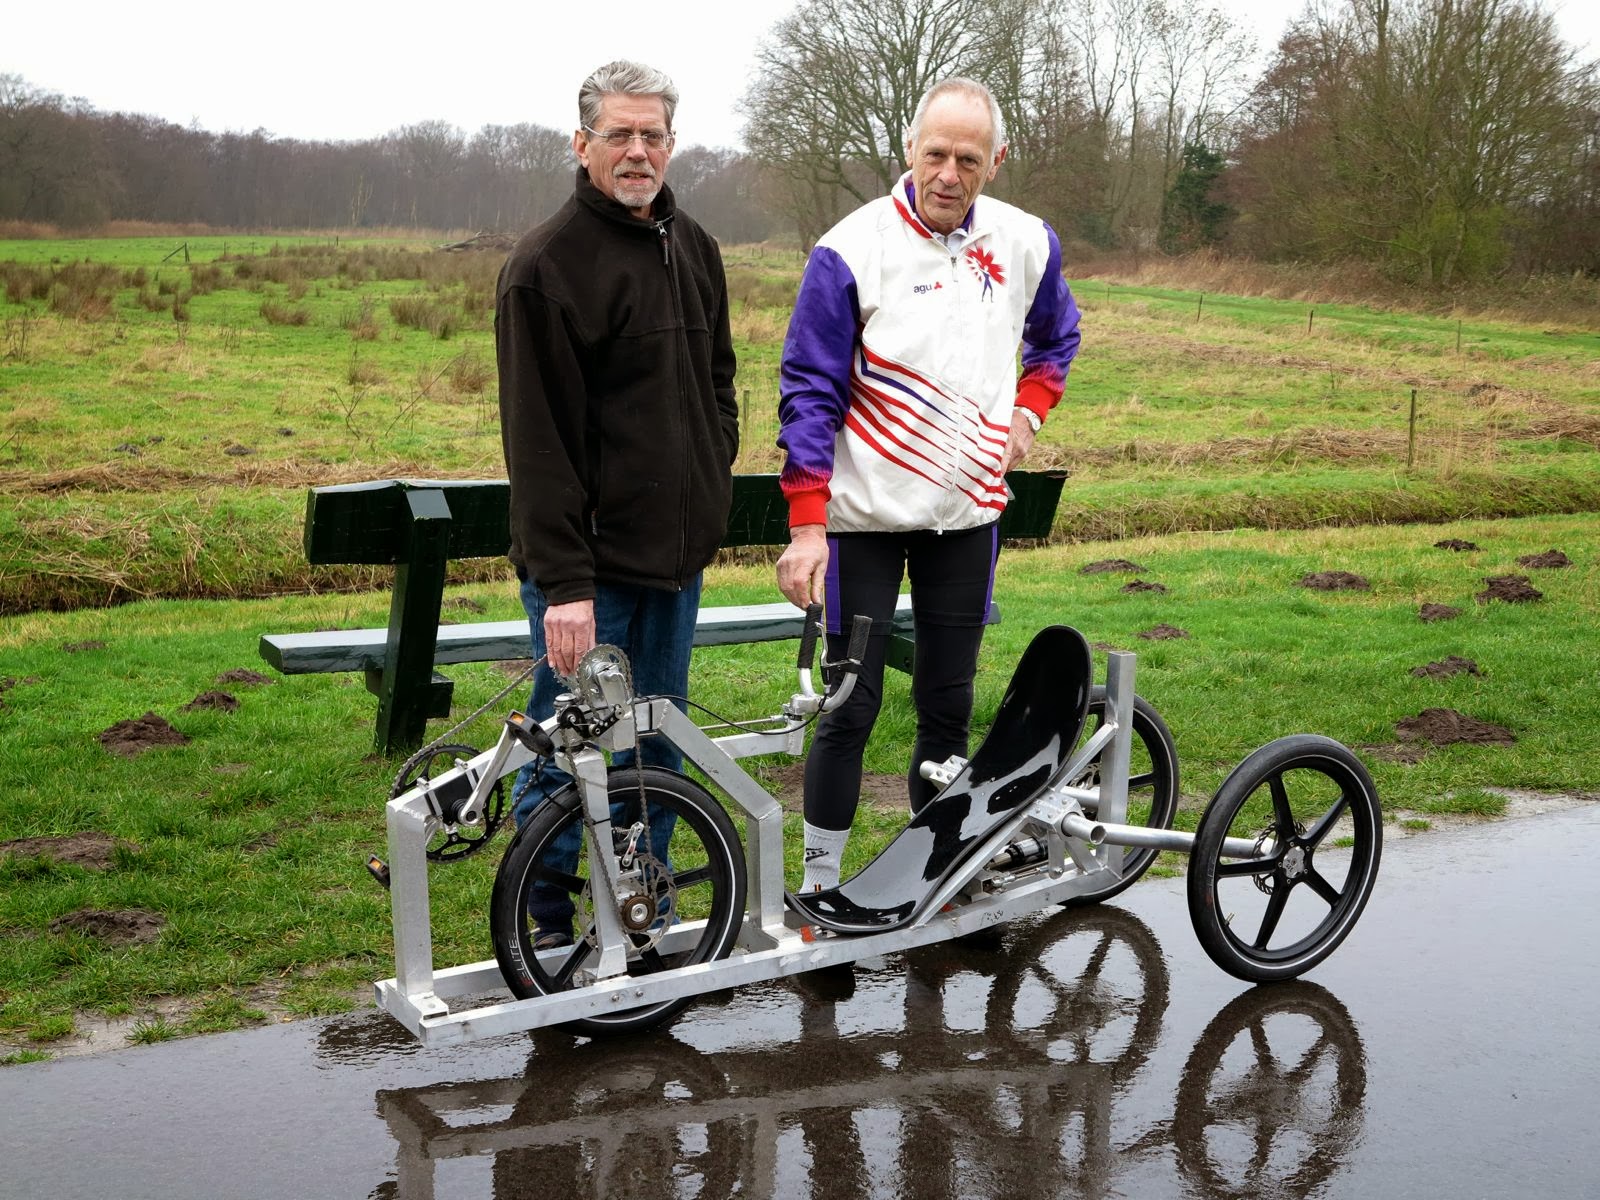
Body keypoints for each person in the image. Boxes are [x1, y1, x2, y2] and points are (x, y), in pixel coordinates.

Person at [774, 77, 1082, 893]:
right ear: (909, 150)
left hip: (966, 521)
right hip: (861, 522)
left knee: (948, 713)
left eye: (969, 159)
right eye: (935, 154)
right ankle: (820, 892)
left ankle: (935, 882)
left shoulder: (1026, 243)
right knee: (850, 709)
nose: (949, 173)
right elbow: (808, 391)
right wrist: (807, 526)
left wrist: (1029, 414)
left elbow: (1058, 341)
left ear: (997, 161)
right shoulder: (851, 248)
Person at [495, 60, 739, 946]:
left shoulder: (694, 247)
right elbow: (538, 442)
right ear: (582, 144)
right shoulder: (546, 267)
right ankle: (546, 923)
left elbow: (719, 382)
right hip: (591, 576)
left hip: (675, 566)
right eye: (619, 136)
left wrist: (712, 468)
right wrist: (564, 584)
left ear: (670, 145)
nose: (637, 152)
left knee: (656, 756)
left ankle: (636, 914)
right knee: (576, 756)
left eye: (652, 136)